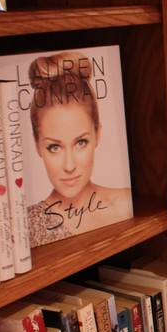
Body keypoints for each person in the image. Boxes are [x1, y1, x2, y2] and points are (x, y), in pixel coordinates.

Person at [26, 50, 133, 244]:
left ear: (97, 134)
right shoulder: (25, 227)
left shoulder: (127, 203)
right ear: (37, 145)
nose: (69, 165)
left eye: (80, 142)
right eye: (54, 147)